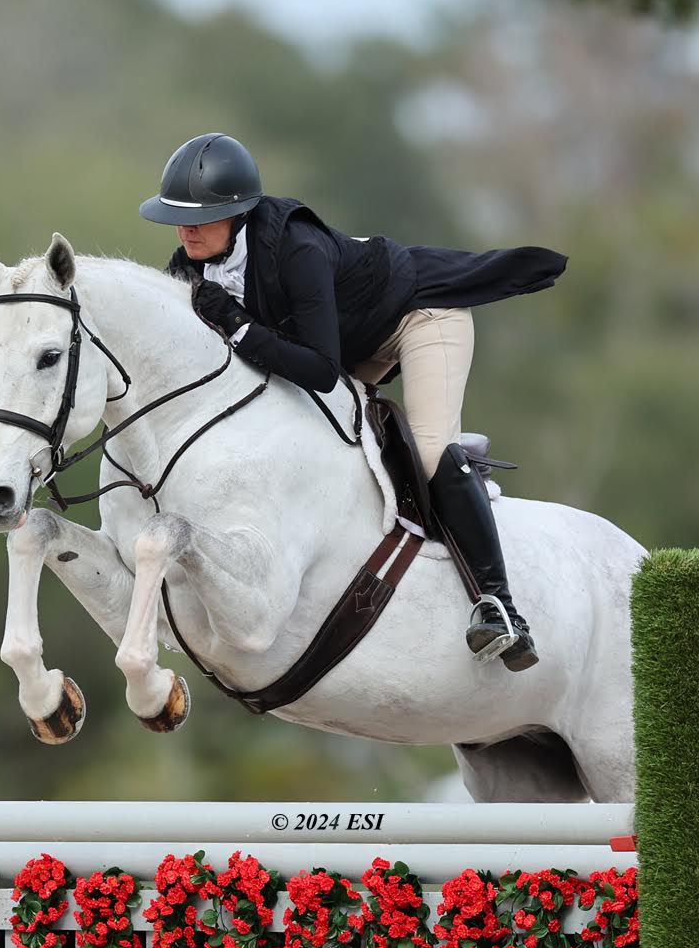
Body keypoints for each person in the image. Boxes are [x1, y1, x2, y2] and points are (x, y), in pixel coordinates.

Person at [140, 132, 565, 671]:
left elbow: (318, 370)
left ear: (239, 211)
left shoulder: (297, 247)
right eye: (178, 218)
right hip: (346, 341)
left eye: (198, 218)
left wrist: (236, 324)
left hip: (419, 316)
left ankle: (499, 605)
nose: (185, 230)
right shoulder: (190, 265)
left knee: (431, 450)